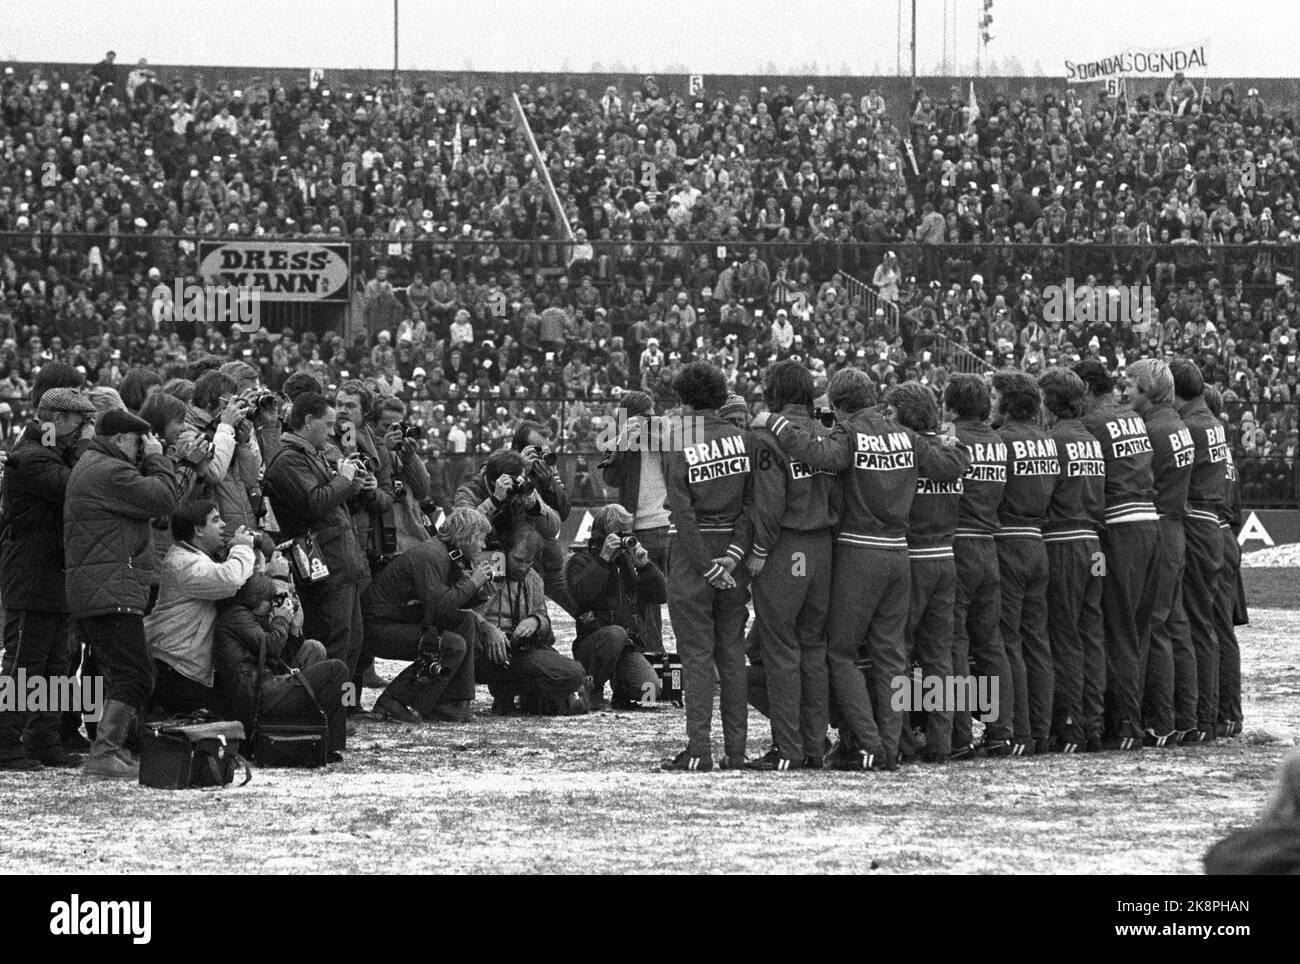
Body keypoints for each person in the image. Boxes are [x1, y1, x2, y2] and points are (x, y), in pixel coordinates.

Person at [757, 367, 968, 770]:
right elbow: (950, 466)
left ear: (838, 405)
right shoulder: (905, 436)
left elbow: (822, 456)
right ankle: (889, 747)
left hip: (859, 552)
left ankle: (869, 744)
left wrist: (775, 422)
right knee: (892, 656)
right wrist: (952, 442)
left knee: (839, 653)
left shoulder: (850, 434)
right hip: (899, 554)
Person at [64, 409, 180, 780]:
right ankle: (105, 752)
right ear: (118, 439)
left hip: (104, 585)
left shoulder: (96, 464)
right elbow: (164, 498)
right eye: (137, 441)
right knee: (135, 674)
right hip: (110, 588)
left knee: (124, 671)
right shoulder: (110, 471)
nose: (141, 449)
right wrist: (161, 458)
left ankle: (110, 749)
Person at [741, 361, 838, 771]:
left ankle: (788, 747)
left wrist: (758, 550)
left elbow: (769, 501)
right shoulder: (826, 432)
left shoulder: (766, 435)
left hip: (786, 547)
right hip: (823, 548)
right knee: (813, 649)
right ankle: (815, 744)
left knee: (781, 650)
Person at [660, 362, 754, 772]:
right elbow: (755, 505)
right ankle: (736, 752)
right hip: (734, 550)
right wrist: (733, 554)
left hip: (690, 554)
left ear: (683, 400)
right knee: (732, 654)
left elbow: (681, 512)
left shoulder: (679, 441)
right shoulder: (744, 440)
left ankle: (699, 750)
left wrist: (705, 565)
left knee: (696, 656)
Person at [0, 388, 97, 770]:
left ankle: (44, 741)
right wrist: (88, 449)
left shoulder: (48, 452)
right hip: (31, 576)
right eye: (80, 422)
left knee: (55, 665)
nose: (84, 430)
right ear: (53, 421)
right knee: (25, 664)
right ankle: (5, 741)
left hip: (51, 577)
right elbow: (77, 488)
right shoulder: (33, 458)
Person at [1074, 358, 1160, 752]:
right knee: (1137, 628)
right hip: (1150, 524)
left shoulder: (1091, 424)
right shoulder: (1132, 417)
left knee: (1116, 627)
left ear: (1087, 390)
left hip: (1120, 529)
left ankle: (1125, 722)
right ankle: (1132, 715)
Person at [262, 393, 371, 681]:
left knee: (352, 640)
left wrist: (351, 487)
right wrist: (344, 480)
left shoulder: (312, 455)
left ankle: (345, 708)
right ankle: (326, 709)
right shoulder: (288, 461)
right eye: (328, 423)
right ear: (308, 421)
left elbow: (328, 501)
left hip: (340, 561)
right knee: (334, 639)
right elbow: (313, 503)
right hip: (323, 564)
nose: (333, 431)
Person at [885, 380, 959, 764]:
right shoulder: (951, 442)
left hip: (912, 557)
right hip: (946, 556)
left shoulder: (908, 445)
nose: (887, 418)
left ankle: (902, 740)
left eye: (892, 412)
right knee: (939, 658)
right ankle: (941, 740)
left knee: (898, 652)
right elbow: (952, 461)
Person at [364, 508, 495, 724]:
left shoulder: (447, 553)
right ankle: (393, 700)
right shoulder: (432, 555)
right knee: (451, 645)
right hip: (380, 627)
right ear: (468, 536)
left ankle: (454, 701)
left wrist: (479, 591)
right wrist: (473, 582)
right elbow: (441, 604)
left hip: (398, 619)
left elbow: (448, 599)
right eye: (481, 539)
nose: (483, 546)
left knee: (465, 621)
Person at [942, 374, 1015, 759]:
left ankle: (960, 734)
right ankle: (1001, 730)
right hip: (990, 545)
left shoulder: (951, 438)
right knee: (991, 644)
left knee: (955, 643)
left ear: (951, 407)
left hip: (957, 544)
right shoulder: (998, 442)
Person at [1037, 368, 1106, 754]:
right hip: (1094, 545)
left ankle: (1069, 724)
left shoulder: (1054, 439)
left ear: (1049, 402)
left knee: (1063, 637)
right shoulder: (1090, 439)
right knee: (1090, 635)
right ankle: (1092, 723)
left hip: (1063, 542)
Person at [991, 370, 1059, 756]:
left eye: (993, 395)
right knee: (1037, 640)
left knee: (1008, 641)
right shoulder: (1047, 441)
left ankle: (1016, 730)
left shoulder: (1002, 441)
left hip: (1009, 541)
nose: (989, 402)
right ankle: (1040, 730)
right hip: (1039, 543)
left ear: (1008, 402)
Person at [212, 571, 350, 762]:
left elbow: (279, 660)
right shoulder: (237, 617)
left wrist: (293, 630)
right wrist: (281, 620)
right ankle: (333, 739)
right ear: (256, 599)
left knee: (313, 648)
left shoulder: (248, 618)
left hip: (264, 685)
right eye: (271, 600)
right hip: (257, 695)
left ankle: (318, 725)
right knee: (339, 670)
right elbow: (269, 647)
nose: (273, 606)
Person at [1126, 359, 1193, 747]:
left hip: (1159, 527)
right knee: (1167, 624)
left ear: (1149, 389)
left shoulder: (1152, 430)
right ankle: (1174, 716)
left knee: (1151, 626)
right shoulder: (1177, 425)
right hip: (1175, 528)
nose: (1126, 391)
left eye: (1131, 384)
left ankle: (1158, 719)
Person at [143, 500, 258, 716]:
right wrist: (242, 547)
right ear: (198, 530)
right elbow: (230, 579)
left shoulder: (193, 558)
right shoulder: (184, 563)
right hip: (176, 670)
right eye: (215, 520)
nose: (223, 524)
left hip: (182, 666)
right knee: (232, 718)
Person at [1171, 359, 1229, 743]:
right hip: (1211, 523)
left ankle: (1195, 716)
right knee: (1204, 624)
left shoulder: (1189, 427)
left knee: (1191, 623)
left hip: (1194, 522)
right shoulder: (1212, 422)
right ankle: (1207, 715)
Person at [474, 527, 590, 716]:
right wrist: (487, 628)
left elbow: (545, 623)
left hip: (519, 651)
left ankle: (511, 693)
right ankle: (513, 692)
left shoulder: (533, 578)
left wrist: (535, 621)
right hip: (483, 648)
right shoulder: (487, 568)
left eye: (529, 561)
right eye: (518, 560)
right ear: (504, 553)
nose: (523, 567)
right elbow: (464, 611)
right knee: (569, 674)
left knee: (574, 672)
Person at [565, 504, 664, 710]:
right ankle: (593, 688)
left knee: (651, 689)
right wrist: (603, 559)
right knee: (615, 635)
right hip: (592, 645)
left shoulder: (629, 563)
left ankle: (622, 690)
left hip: (626, 646)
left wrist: (645, 566)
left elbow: (660, 596)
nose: (626, 540)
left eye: (630, 534)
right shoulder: (581, 561)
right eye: (622, 535)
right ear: (605, 535)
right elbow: (582, 595)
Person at [597, 390, 671, 653]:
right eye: (642, 417)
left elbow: (682, 449)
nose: (648, 421)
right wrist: (623, 440)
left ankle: (695, 661)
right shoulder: (621, 439)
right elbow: (611, 478)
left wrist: (654, 430)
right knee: (647, 603)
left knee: (684, 599)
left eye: (651, 415)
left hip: (671, 523)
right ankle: (654, 659)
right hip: (640, 527)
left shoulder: (668, 431)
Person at [1204, 386, 1247, 737]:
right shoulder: (1225, 452)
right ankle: (1227, 710)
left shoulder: (1207, 446)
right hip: (1225, 535)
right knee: (1221, 629)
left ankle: (1219, 711)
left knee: (1209, 628)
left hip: (1211, 533)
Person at [510, 421, 575, 616]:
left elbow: (563, 512)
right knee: (531, 617)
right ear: (519, 450)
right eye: (536, 451)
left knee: (579, 609)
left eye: (545, 451)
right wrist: (519, 469)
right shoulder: (503, 468)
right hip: (522, 562)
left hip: (550, 562)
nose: (542, 457)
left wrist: (549, 482)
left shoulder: (547, 472)